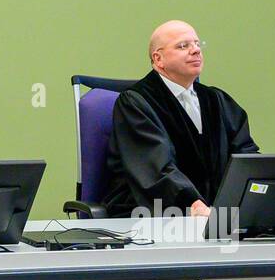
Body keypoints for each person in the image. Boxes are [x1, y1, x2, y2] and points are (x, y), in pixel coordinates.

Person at [102, 20, 258, 218]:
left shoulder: (217, 100)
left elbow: (245, 157)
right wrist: (194, 204)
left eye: (197, 44)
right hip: (152, 214)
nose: (195, 51)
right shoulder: (135, 103)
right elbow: (154, 167)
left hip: (215, 214)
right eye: (183, 46)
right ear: (158, 59)